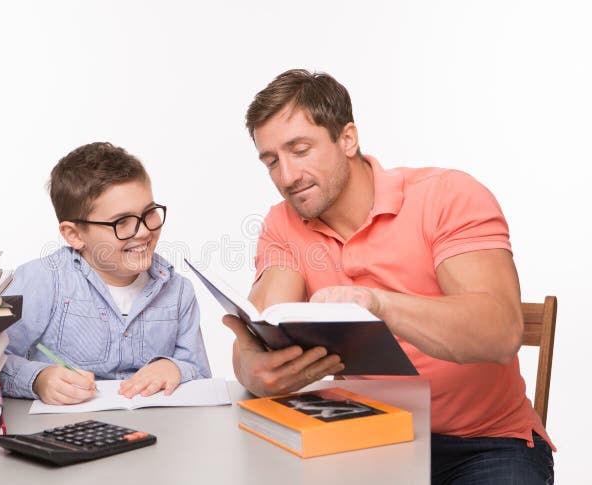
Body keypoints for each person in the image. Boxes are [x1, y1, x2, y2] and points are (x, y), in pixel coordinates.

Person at [225, 69, 555, 484]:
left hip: (484, 444)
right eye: (272, 160)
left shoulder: (447, 196)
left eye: (300, 149)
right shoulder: (284, 223)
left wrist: (376, 303)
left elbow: (501, 332)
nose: (287, 177)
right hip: (367, 435)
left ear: (347, 138)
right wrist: (251, 370)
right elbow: (261, 324)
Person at [0, 142, 211, 405]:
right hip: (70, 433)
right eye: (122, 222)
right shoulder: (42, 282)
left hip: (158, 430)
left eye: (149, 213)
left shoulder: (178, 291)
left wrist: (176, 369)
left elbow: (200, 374)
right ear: (74, 235)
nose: (143, 231)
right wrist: (38, 378)